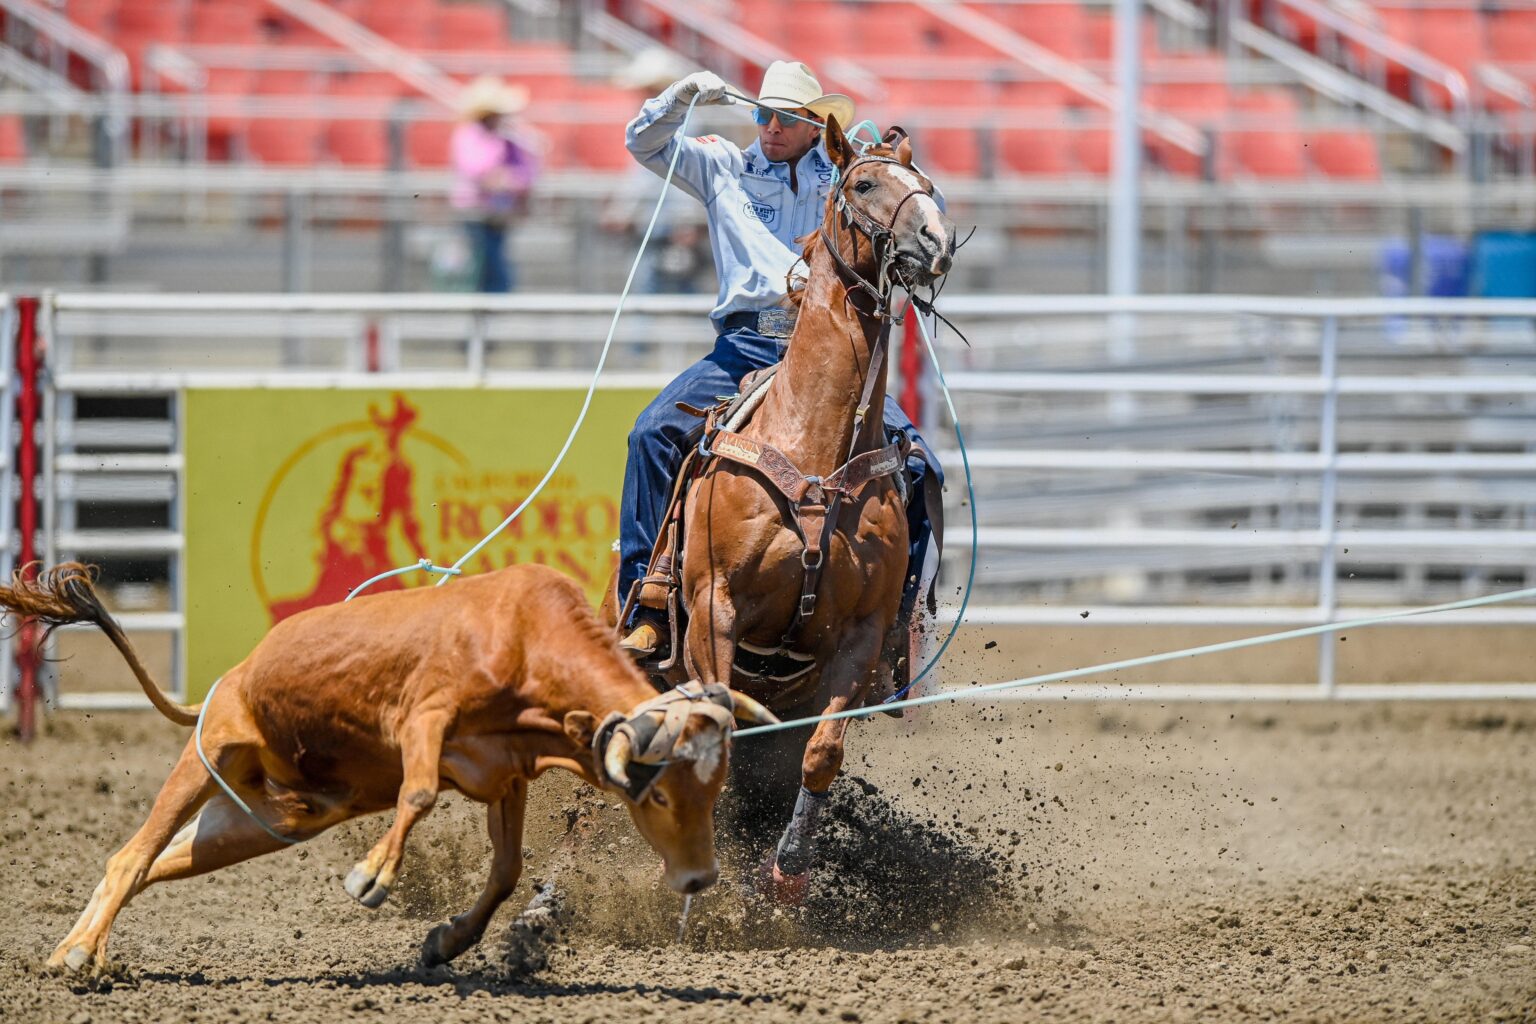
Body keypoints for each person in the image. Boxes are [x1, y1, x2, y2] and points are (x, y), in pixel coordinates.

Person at [616, 60, 943, 656]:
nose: (769, 126)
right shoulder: (723, 163)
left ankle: (898, 627)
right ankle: (648, 601)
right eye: (762, 113)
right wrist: (681, 94)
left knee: (921, 467)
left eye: (785, 117)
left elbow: (925, 209)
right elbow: (643, 141)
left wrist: (894, 167)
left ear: (817, 125)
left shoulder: (849, 175)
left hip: (828, 350)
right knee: (652, 436)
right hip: (742, 346)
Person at [601, 49, 712, 295]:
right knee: (675, 287)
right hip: (657, 220)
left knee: (657, 289)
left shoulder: (681, 125)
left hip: (665, 222)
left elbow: (658, 177)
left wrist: (686, 221)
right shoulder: (684, 123)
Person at [451, 75, 539, 293]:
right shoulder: (470, 136)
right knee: (485, 265)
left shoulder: (507, 138)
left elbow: (526, 172)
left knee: (494, 263)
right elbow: (479, 172)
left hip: (498, 212)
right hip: (475, 211)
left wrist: (506, 180)